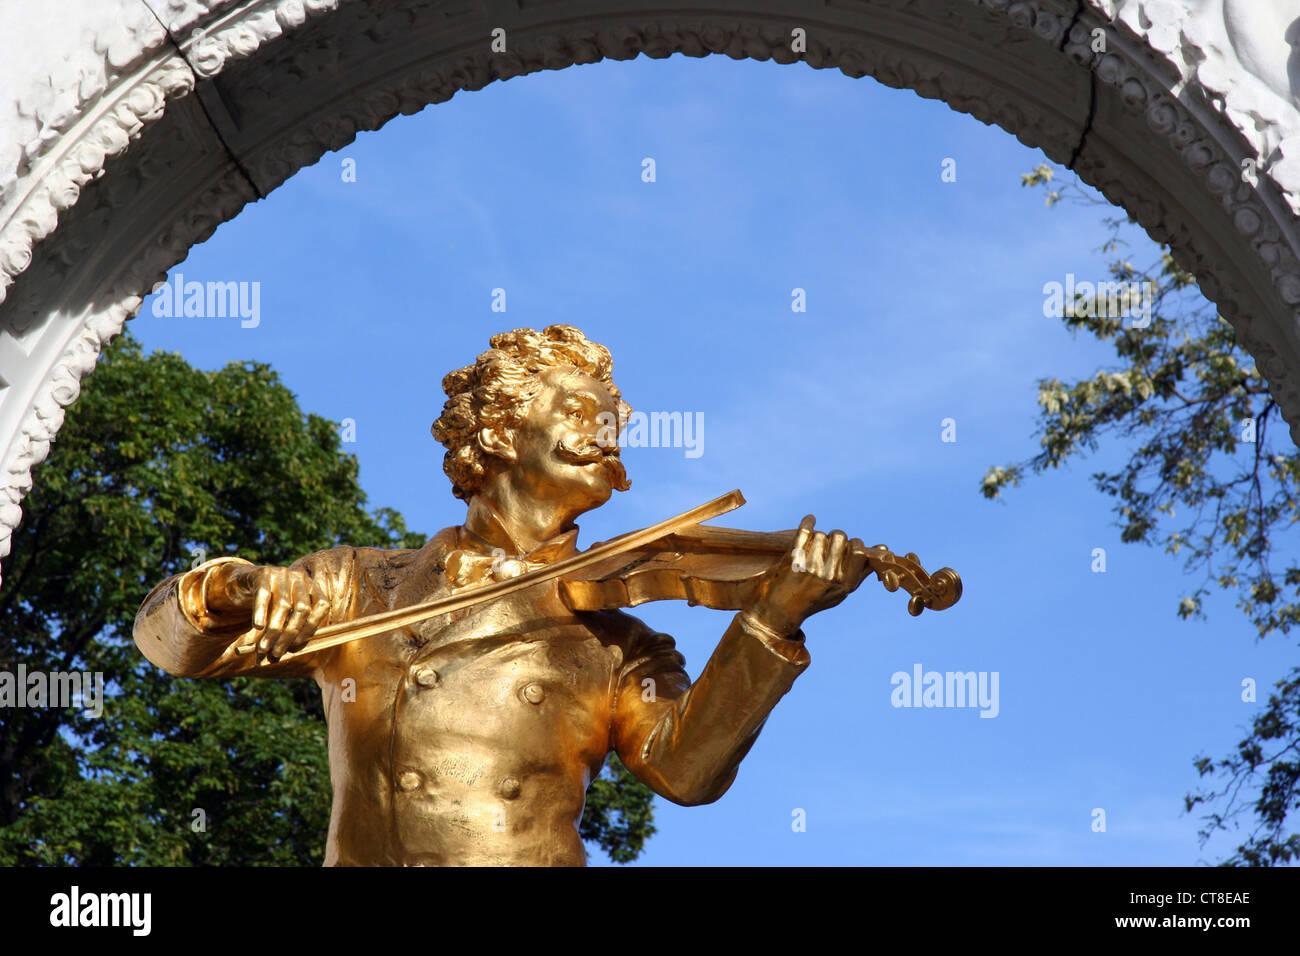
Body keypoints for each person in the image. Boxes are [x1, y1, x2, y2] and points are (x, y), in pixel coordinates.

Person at [134, 324, 871, 865]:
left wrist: (772, 617)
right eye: (580, 414)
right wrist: (228, 588)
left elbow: (685, 770)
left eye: (611, 424)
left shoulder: (619, 642)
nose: (605, 436)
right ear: (496, 430)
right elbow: (163, 645)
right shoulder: (360, 583)